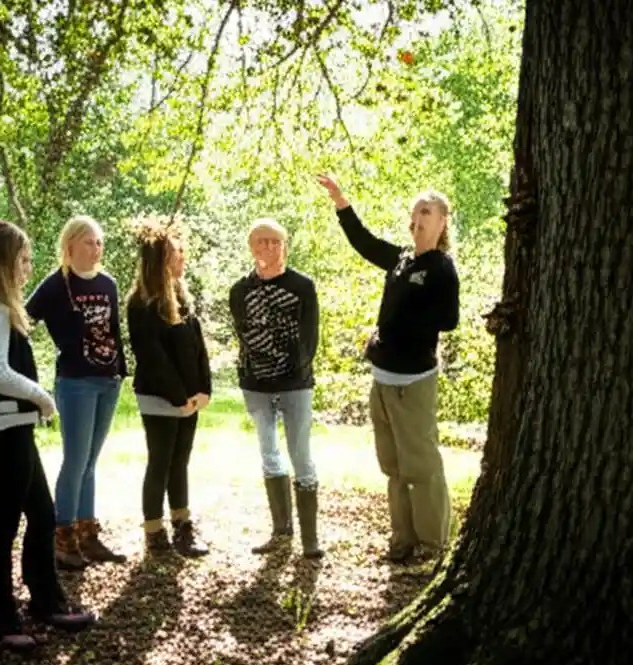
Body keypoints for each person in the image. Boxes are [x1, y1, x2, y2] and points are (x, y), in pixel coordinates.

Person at [0, 219, 97, 651]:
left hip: (11, 430)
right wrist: (41, 397)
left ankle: (45, 599)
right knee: (3, 527)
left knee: (43, 516)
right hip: (3, 431)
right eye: (22, 259)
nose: (28, 268)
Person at [316, 173, 460, 563]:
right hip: (381, 381)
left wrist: (398, 326)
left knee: (422, 466)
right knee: (393, 466)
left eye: (426, 212)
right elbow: (364, 243)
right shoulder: (401, 259)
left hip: (412, 382)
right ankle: (403, 540)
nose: (418, 218)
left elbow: (448, 320)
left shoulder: (440, 267)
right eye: (414, 212)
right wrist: (341, 202)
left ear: (442, 222)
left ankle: (433, 545)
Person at [26, 216, 128, 570]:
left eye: (99, 242)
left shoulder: (108, 284)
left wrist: (120, 371)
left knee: (91, 461)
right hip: (75, 382)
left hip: (107, 379)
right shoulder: (56, 285)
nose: (96, 248)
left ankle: (88, 533)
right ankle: (63, 534)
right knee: (75, 460)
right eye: (89, 242)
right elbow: (23, 320)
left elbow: (113, 330)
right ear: (69, 247)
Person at [229, 218, 324, 559]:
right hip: (256, 384)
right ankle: (281, 531)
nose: (268, 247)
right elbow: (243, 334)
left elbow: (310, 336)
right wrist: (255, 372)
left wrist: (294, 369)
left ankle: (310, 540)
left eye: (274, 241)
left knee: (301, 454)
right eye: (261, 241)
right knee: (269, 453)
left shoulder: (302, 286)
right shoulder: (239, 290)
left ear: (285, 246)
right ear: (251, 247)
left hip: (295, 384)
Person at [126, 218, 211, 558]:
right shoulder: (141, 304)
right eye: (176, 253)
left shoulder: (183, 296)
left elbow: (198, 348)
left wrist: (203, 390)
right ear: (159, 260)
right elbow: (154, 358)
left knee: (181, 462)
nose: (182, 258)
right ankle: (154, 531)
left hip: (190, 400)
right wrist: (179, 398)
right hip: (160, 398)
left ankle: (182, 525)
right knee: (159, 463)